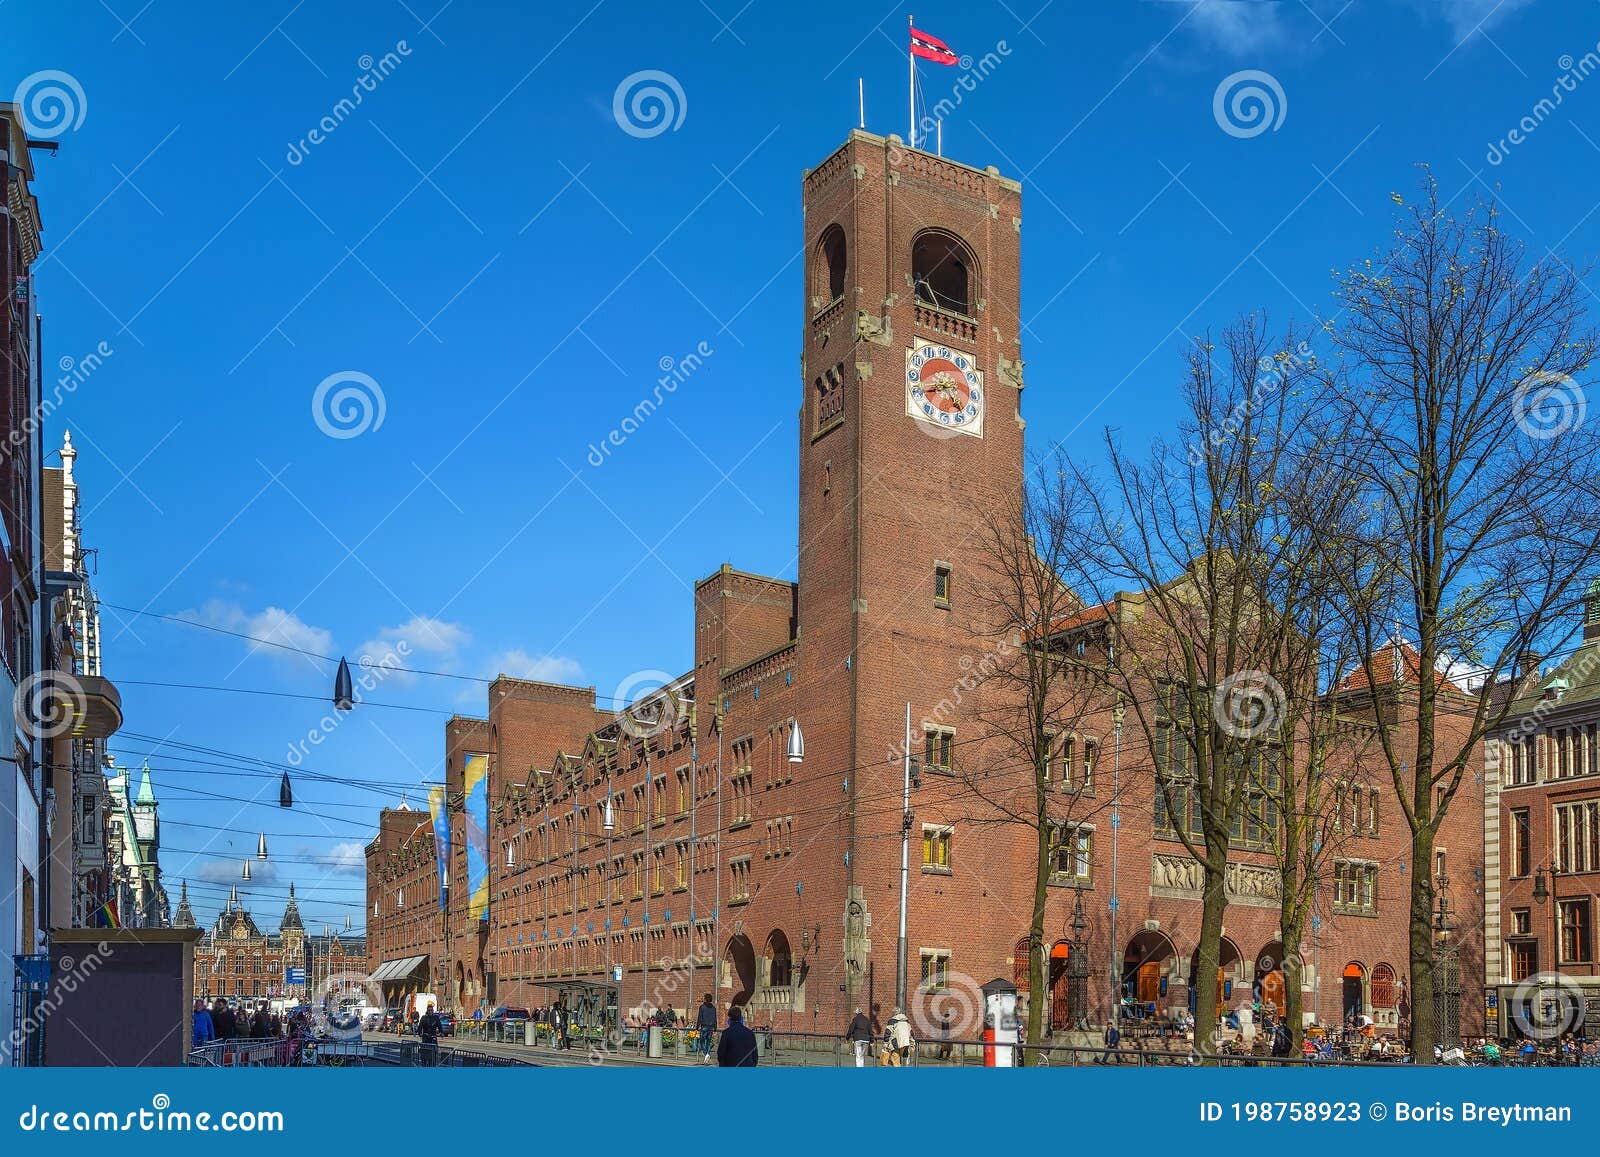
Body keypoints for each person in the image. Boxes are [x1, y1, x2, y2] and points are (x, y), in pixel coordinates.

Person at [696, 994, 718, 1063]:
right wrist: (715, 1027)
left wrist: (697, 1026)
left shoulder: (702, 1007)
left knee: (702, 1041)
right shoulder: (713, 1008)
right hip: (711, 1027)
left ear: (705, 999)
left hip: (704, 1026)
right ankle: (707, 1055)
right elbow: (715, 1018)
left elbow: (700, 1017)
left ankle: (706, 1054)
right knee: (708, 1042)